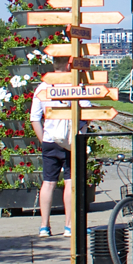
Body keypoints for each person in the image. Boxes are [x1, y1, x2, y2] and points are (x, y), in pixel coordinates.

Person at [29, 58, 90, 238]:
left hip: (49, 141)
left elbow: (34, 118)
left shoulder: (42, 87)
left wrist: (43, 140)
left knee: (48, 182)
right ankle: (69, 226)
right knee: (70, 183)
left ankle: (44, 226)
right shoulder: (76, 86)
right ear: (68, 66)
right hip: (70, 142)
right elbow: (87, 112)